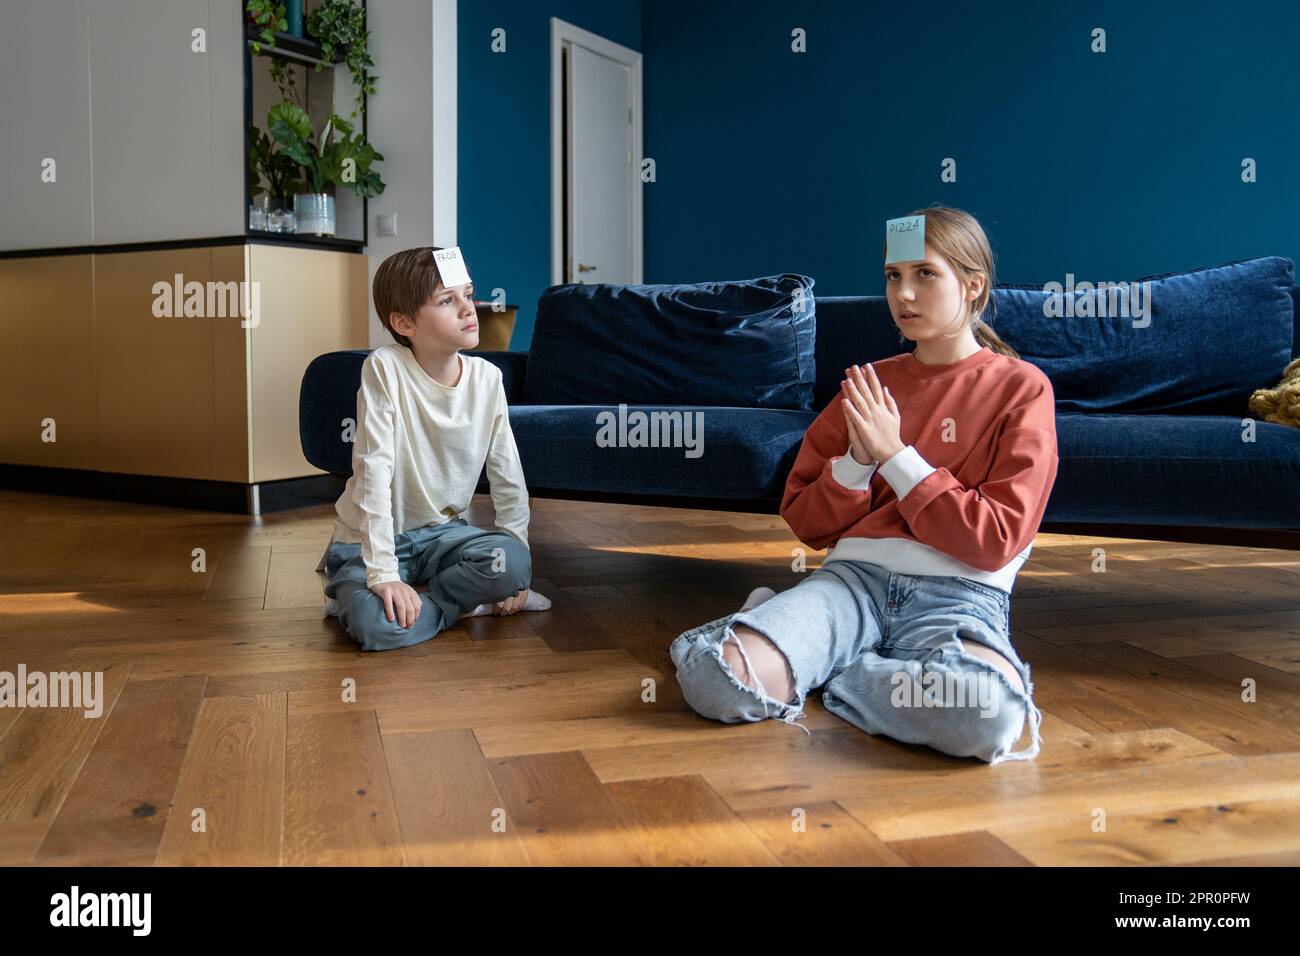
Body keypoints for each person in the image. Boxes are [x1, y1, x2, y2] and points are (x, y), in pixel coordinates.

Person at [670, 206, 1058, 764]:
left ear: (973, 285)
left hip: (960, 600)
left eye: (925, 274)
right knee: (715, 681)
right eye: (892, 276)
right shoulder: (868, 385)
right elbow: (807, 523)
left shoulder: (1023, 389)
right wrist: (855, 459)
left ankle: (827, 669)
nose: (904, 295)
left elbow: (996, 537)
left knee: (988, 716)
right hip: (851, 585)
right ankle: (806, 647)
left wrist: (896, 457)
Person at [315, 246, 550, 652]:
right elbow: (373, 472)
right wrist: (384, 573)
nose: (469, 309)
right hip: (370, 544)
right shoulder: (384, 368)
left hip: (444, 537)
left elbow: (508, 476)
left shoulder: (488, 379)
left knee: (511, 562)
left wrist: (519, 568)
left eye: (468, 293)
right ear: (404, 322)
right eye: (447, 300)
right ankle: (443, 602)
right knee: (375, 627)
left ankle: (431, 603)